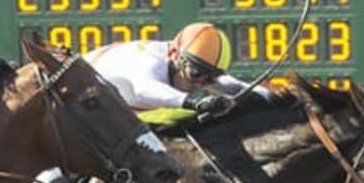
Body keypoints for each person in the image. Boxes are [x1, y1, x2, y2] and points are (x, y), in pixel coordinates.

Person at [84, 22, 267, 119]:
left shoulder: (191, 67)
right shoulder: (148, 61)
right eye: (196, 74)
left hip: (103, 117)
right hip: (66, 110)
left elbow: (233, 86)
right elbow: (144, 89)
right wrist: (195, 102)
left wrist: (273, 97)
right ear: (174, 54)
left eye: (209, 79)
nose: (199, 84)